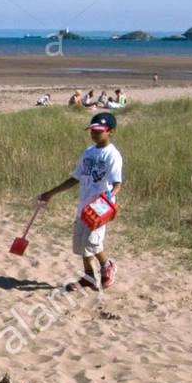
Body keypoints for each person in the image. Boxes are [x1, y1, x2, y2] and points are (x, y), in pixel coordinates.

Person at [36, 111, 123, 291]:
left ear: (111, 131)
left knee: (92, 241)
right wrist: (50, 193)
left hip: (100, 207)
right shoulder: (88, 153)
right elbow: (75, 178)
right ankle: (88, 277)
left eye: (99, 131)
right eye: (92, 131)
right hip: (84, 205)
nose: (94, 134)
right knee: (81, 243)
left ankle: (107, 265)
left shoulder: (113, 155)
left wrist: (109, 197)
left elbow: (117, 184)